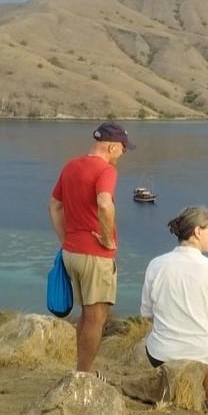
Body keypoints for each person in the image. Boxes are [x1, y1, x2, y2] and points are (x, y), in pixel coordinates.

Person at [49, 121, 134, 377]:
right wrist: (108, 240)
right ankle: (84, 376)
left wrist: (66, 240)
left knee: (85, 318)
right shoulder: (105, 170)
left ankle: (81, 370)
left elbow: (54, 206)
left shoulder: (71, 166)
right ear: (111, 146)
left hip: (71, 253)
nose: (123, 153)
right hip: (96, 256)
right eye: (123, 148)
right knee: (96, 319)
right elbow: (105, 204)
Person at [140, 206, 208, 411]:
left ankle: (169, 390)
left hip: (161, 353)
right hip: (204, 355)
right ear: (198, 231)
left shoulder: (156, 264)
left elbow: (147, 312)